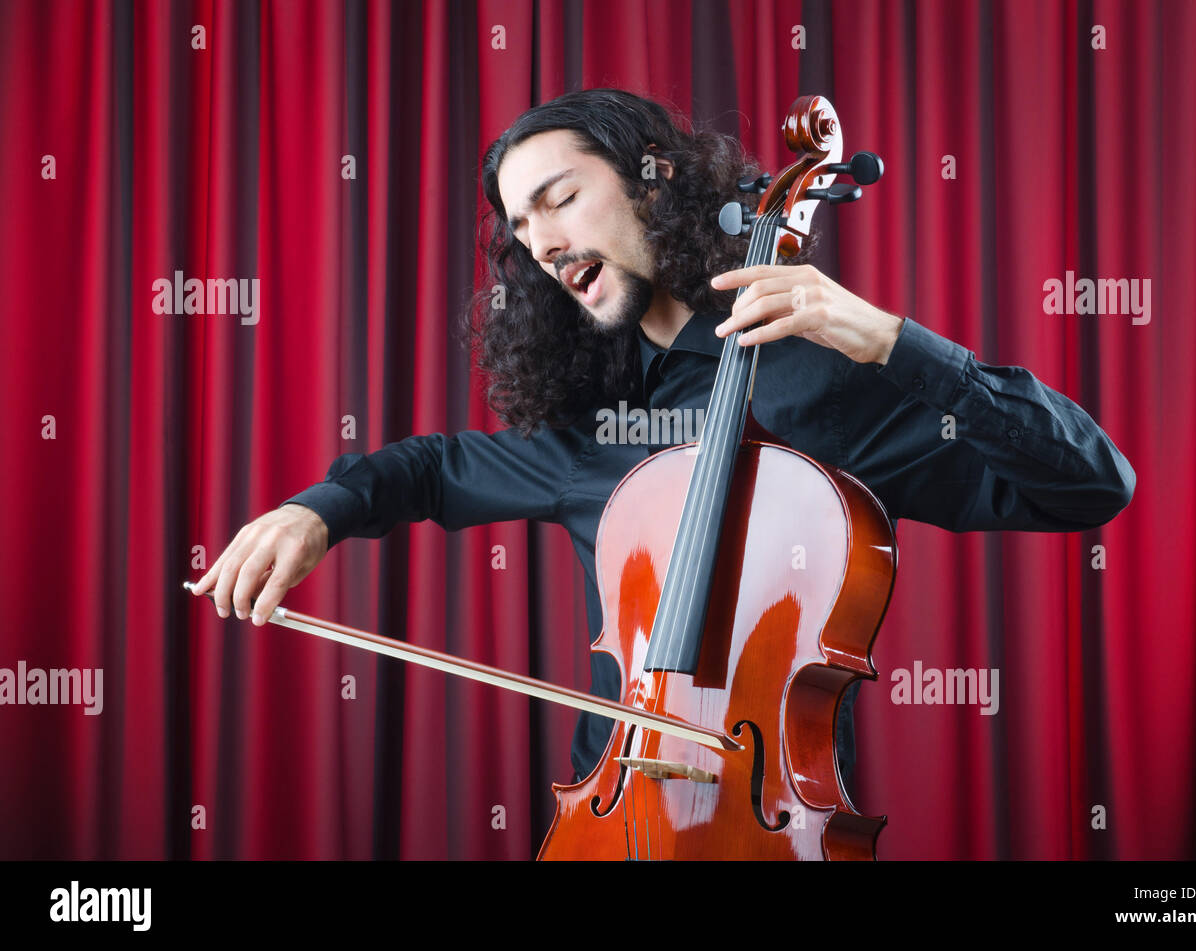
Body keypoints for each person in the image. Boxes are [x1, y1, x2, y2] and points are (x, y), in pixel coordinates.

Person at [190, 88, 1135, 787]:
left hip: (771, 813)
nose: (539, 241)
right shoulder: (589, 426)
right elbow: (432, 468)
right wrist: (313, 512)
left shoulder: (809, 384)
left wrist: (894, 340)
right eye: (520, 225)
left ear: (656, 178)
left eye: (559, 198)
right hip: (606, 808)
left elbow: (1088, 483)